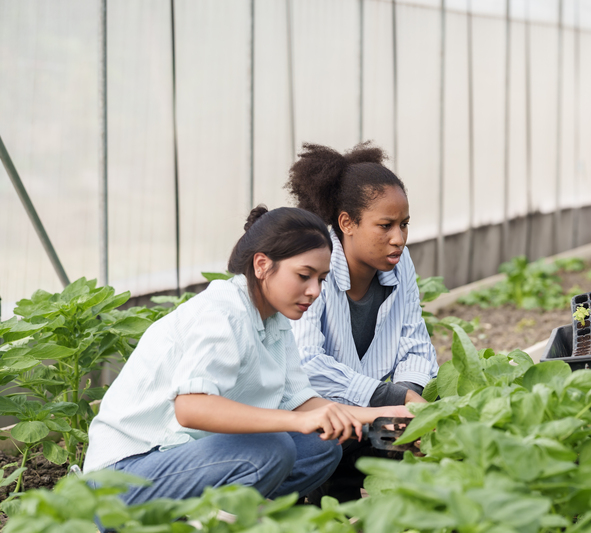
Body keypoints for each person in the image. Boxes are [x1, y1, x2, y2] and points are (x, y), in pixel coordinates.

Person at [83, 206, 411, 505]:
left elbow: (303, 402)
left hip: (185, 461)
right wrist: (299, 421)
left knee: (321, 447)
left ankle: (221, 519)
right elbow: (191, 408)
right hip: (122, 477)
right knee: (271, 448)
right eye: (304, 275)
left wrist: (387, 414)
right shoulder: (222, 312)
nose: (314, 291)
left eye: (321, 279)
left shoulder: (275, 321)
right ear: (262, 264)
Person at [286, 143, 438, 501]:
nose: (398, 239)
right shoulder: (313, 268)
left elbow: (416, 343)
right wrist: (390, 398)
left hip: (365, 416)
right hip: (314, 420)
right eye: (385, 226)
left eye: (404, 225)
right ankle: (323, 500)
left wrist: (405, 398)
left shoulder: (400, 263)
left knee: (417, 413)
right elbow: (305, 363)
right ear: (346, 223)